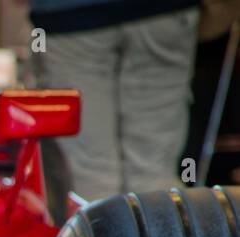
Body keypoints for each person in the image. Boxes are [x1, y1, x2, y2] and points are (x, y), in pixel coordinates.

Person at [31, 0, 202, 199]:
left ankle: (102, 226)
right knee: (153, 168)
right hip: (164, 14)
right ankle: (156, 226)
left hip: (70, 16)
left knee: (93, 170)